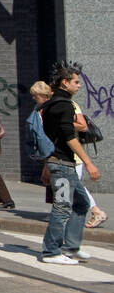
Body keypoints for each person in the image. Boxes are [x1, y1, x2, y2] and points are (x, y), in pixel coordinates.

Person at [39, 61, 101, 264]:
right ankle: (51, 251)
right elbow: (68, 136)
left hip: (61, 163)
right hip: (62, 163)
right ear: (65, 83)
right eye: (76, 82)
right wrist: (88, 162)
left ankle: (70, 246)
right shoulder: (63, 105)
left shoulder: (49, 105)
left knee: (82, 203)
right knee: (62, 207)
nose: (79, 85)